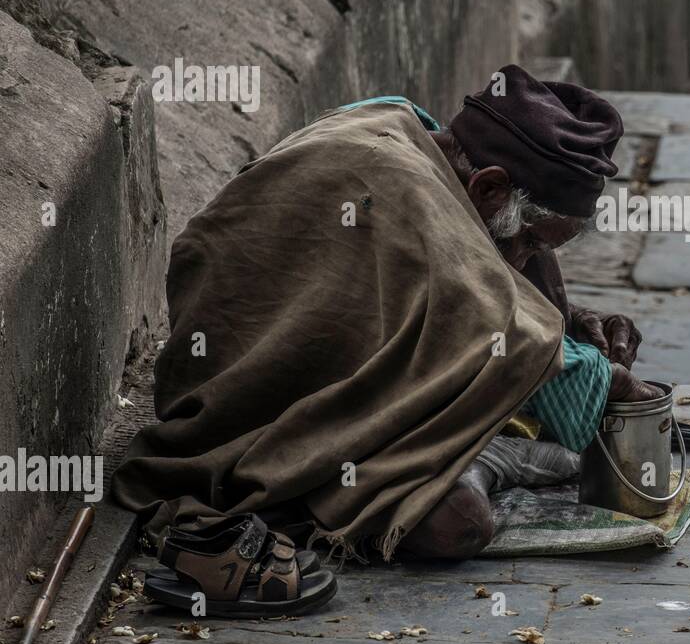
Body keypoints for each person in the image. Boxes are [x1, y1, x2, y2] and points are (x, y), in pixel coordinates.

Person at [112, 65, 661, 616]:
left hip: (325, 380)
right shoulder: (410, 191)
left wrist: (569, 320)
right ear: (489, 185)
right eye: (530, 241)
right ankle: (491, 457)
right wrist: (604, 377)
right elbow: (519, 350)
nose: (523, 262)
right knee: (457, 523)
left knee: (482, 457)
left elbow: (467, 299)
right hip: (251, 408)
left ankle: (491, 452)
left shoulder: (403, 126)